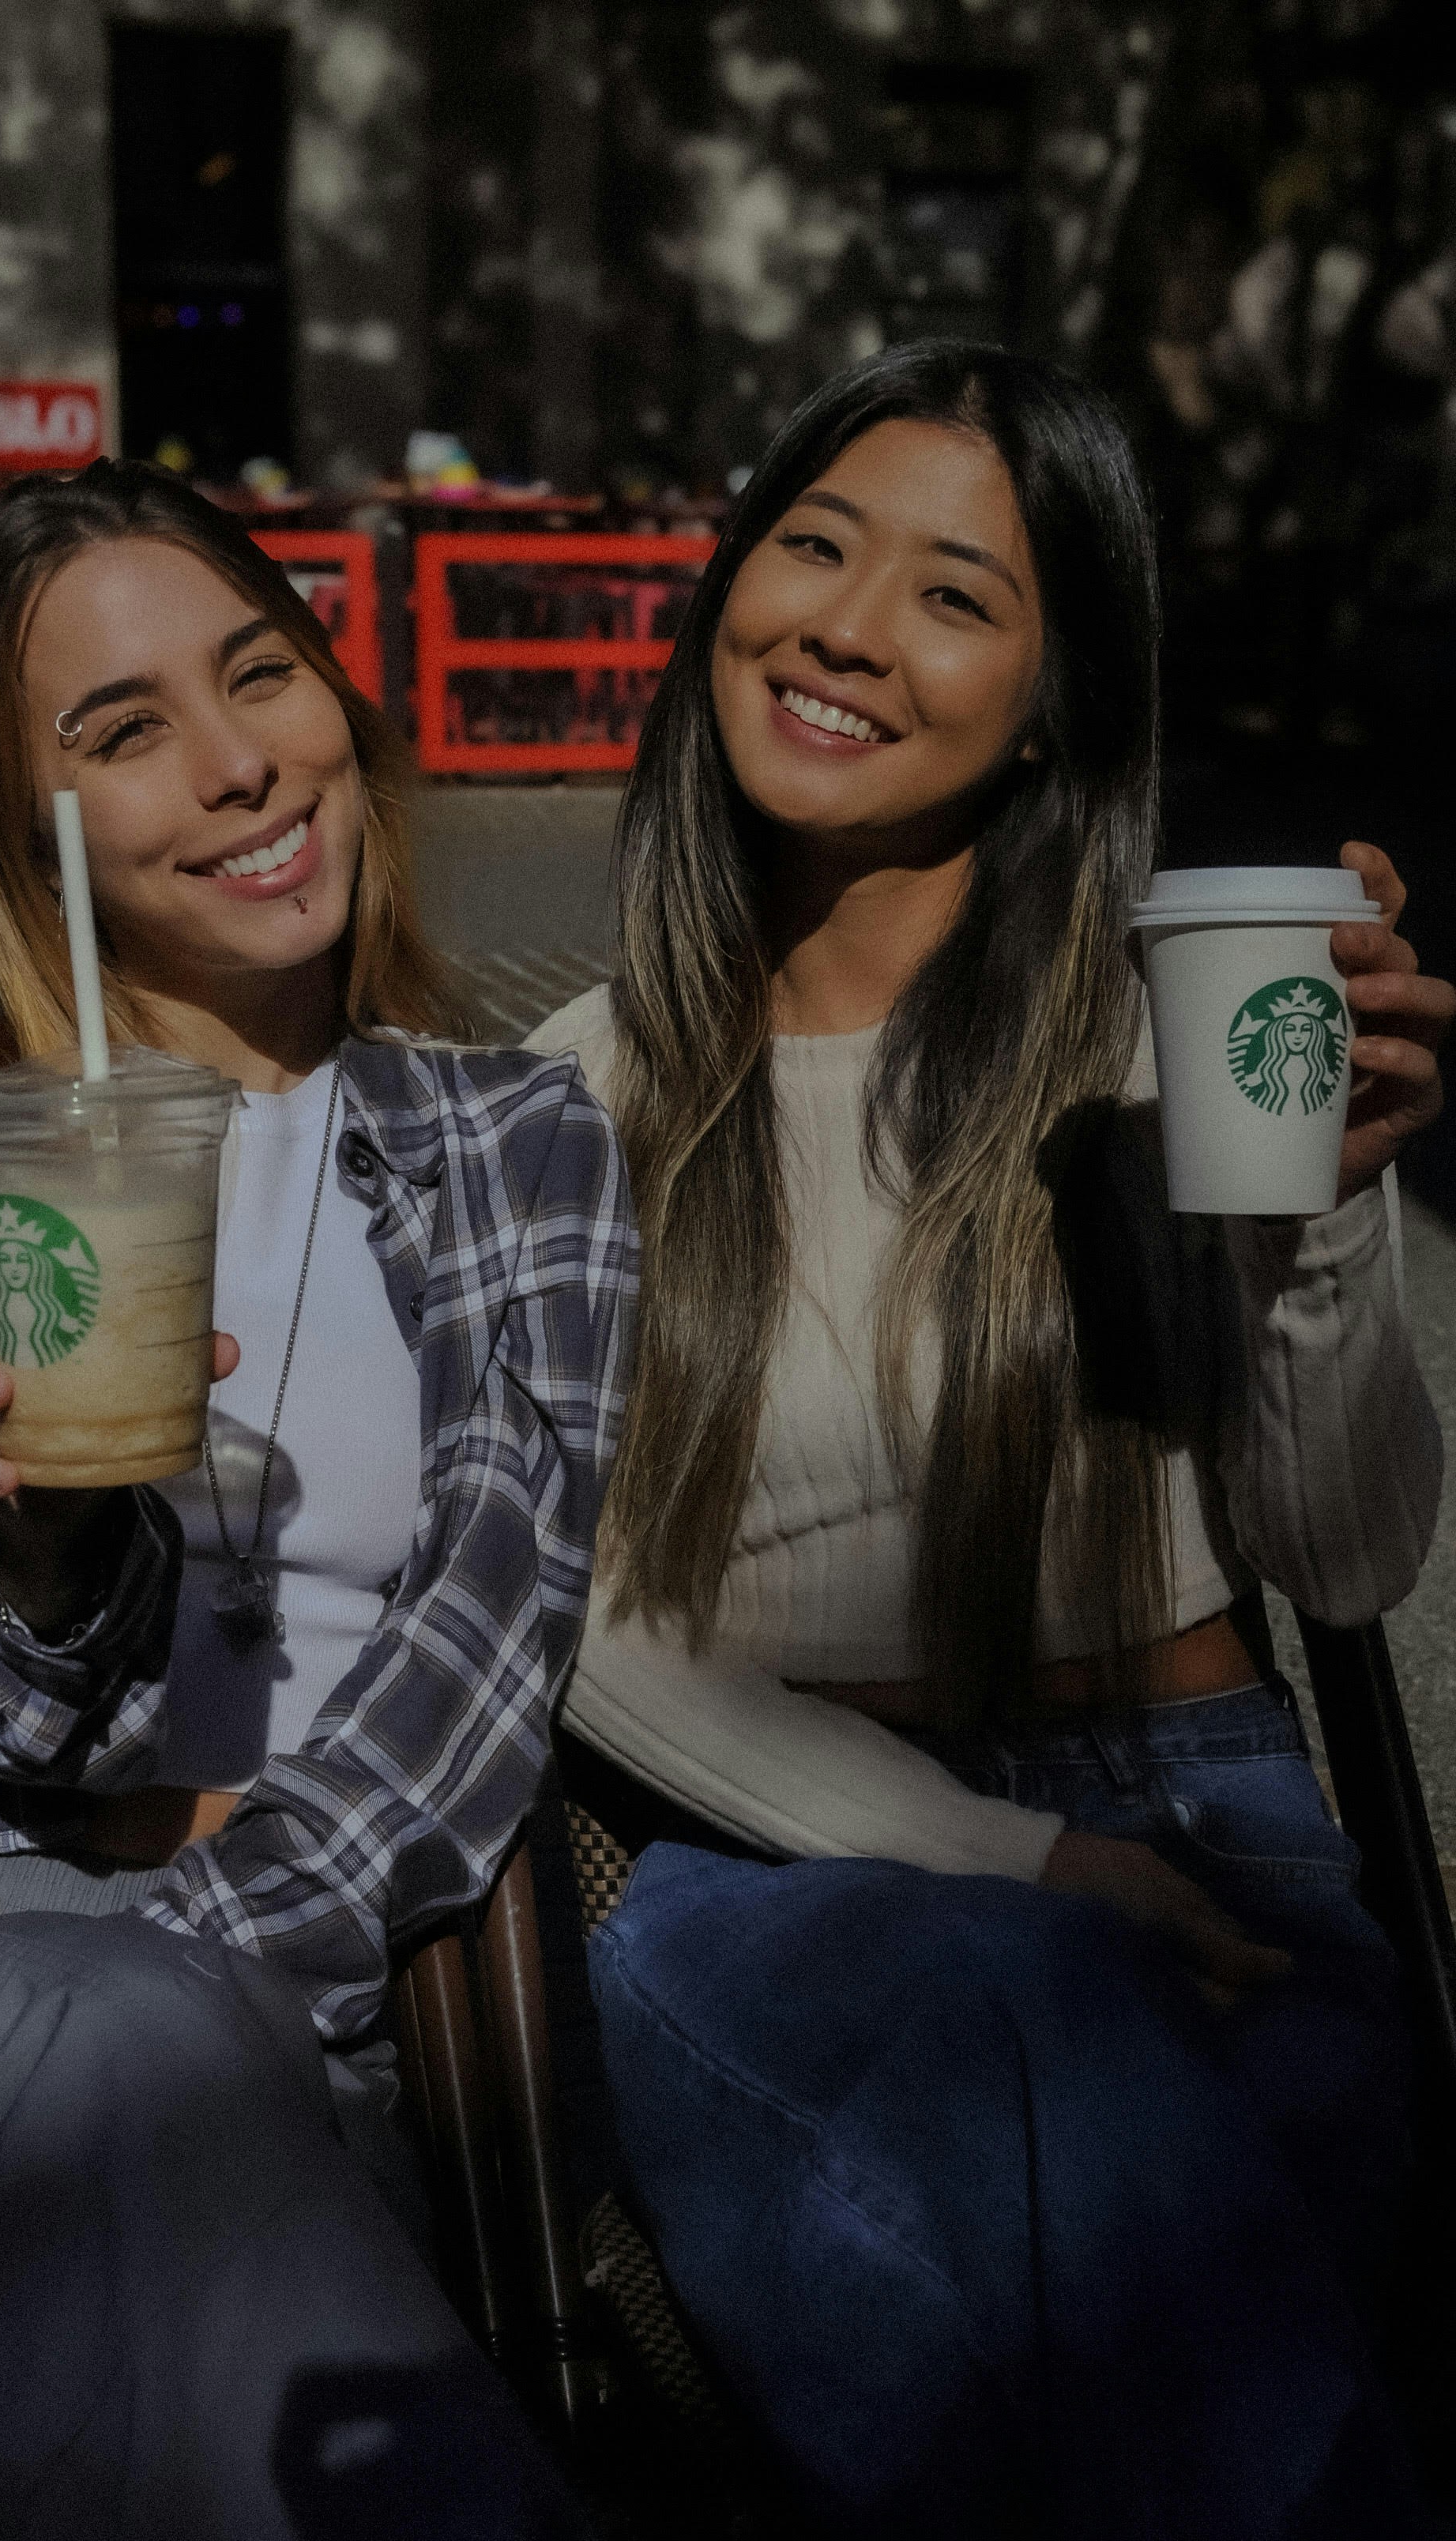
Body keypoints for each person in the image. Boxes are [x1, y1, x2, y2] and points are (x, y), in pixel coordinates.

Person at [527, 343, 1451, 2539]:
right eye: (815, 544)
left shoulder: (1170, 1034)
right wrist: (1024, 1869)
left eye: (956, 591)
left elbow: (1342, 1565)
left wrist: (1322, 1230)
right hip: (785, 1869)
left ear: (1055, 698)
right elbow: (565, 1623)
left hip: (1210, 1824)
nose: (845, 625)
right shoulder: (569, 1095)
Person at [0, 458, 636, 2539]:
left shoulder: (511, 1139)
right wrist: (36, 1542)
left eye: (264, 674)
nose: (241, 766)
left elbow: (477, 1661)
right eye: (123, 730)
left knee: (127, 2089)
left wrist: (193, 1958)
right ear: (26, 820)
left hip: (274, 1988)